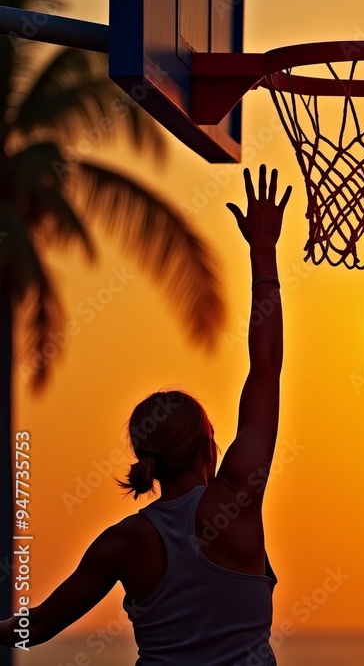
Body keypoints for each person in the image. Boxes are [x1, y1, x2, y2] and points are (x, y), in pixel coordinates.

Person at [0, 166, 291, 665]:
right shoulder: (238, 497)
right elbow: (265, 368)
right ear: (209, 445)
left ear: (144, 455)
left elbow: (37, 628)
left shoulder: (123, 542)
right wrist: (263, 252)